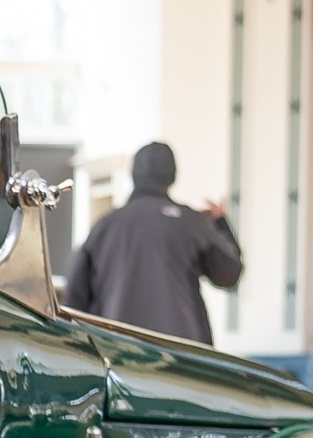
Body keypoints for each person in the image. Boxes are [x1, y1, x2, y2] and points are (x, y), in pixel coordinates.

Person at [60, 141, 241, 343]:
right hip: (182, 354)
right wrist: (221, 222)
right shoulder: (191, 223)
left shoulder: (103, 227)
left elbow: (74, 302)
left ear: (133, 174)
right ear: (172, 177)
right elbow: (229, 273)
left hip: (117, 352)